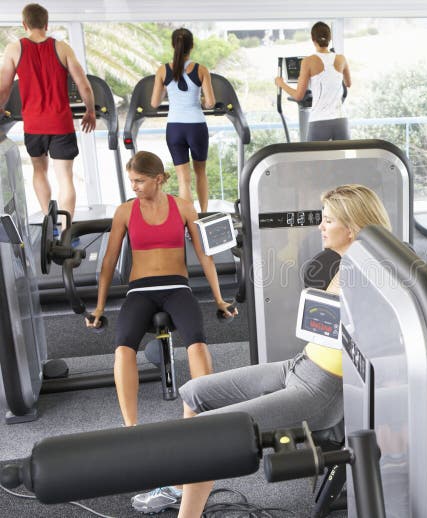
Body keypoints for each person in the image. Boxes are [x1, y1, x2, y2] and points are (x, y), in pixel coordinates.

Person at [130, 184, 391, 516]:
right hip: (298, 365)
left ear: (351, 228)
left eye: (327, 221)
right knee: (194, 392)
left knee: (208, 433)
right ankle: (182, 488)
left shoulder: (367, 277)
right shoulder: (344, 263)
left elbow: (375, 345)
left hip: (320, 389)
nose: (320, 227)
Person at [86, 151, 236, 427]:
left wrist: (219, 299)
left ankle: (193, 418)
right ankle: (130, 425)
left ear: (159, 179)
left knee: (197, 342)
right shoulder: (125, 211)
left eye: (140, 181)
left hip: (177, 288)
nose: (134, 187)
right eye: (131, 181)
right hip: (139, 291)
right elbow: (108, 261)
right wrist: (98, 306)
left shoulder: (183, 208)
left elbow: (205, 256)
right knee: (123, 348)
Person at [0, 3, 95, 224]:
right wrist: (89, 110)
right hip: (61, 123)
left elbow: (4, 87)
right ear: (46, 23)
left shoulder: (14, 49)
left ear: (24, 24)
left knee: (39, 171)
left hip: (34, 125)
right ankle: (66, 230)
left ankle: (49, 224)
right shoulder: (62, 48)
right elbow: (85, 85)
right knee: (65, 178)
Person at [151, 28, 216, 212]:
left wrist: (168, 91)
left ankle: (188, 220)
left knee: (183, 180)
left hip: (174, 128)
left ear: (173, 45)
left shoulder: (163, 70)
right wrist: (202, 101)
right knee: (200, 173)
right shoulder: (201, 69)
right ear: (192, 46)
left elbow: (154, 103)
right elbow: (210, 103)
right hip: (196, 127)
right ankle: (203, 215)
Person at [274, 21, 351, 141]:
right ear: (329, 38)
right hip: (341, 121)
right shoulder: (341, 58)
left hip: (319, 122)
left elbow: (299, 96)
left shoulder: (308, 61)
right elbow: (348, 83)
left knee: (313, 159)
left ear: (313, 39)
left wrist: (281, 83)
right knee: (341, 159)